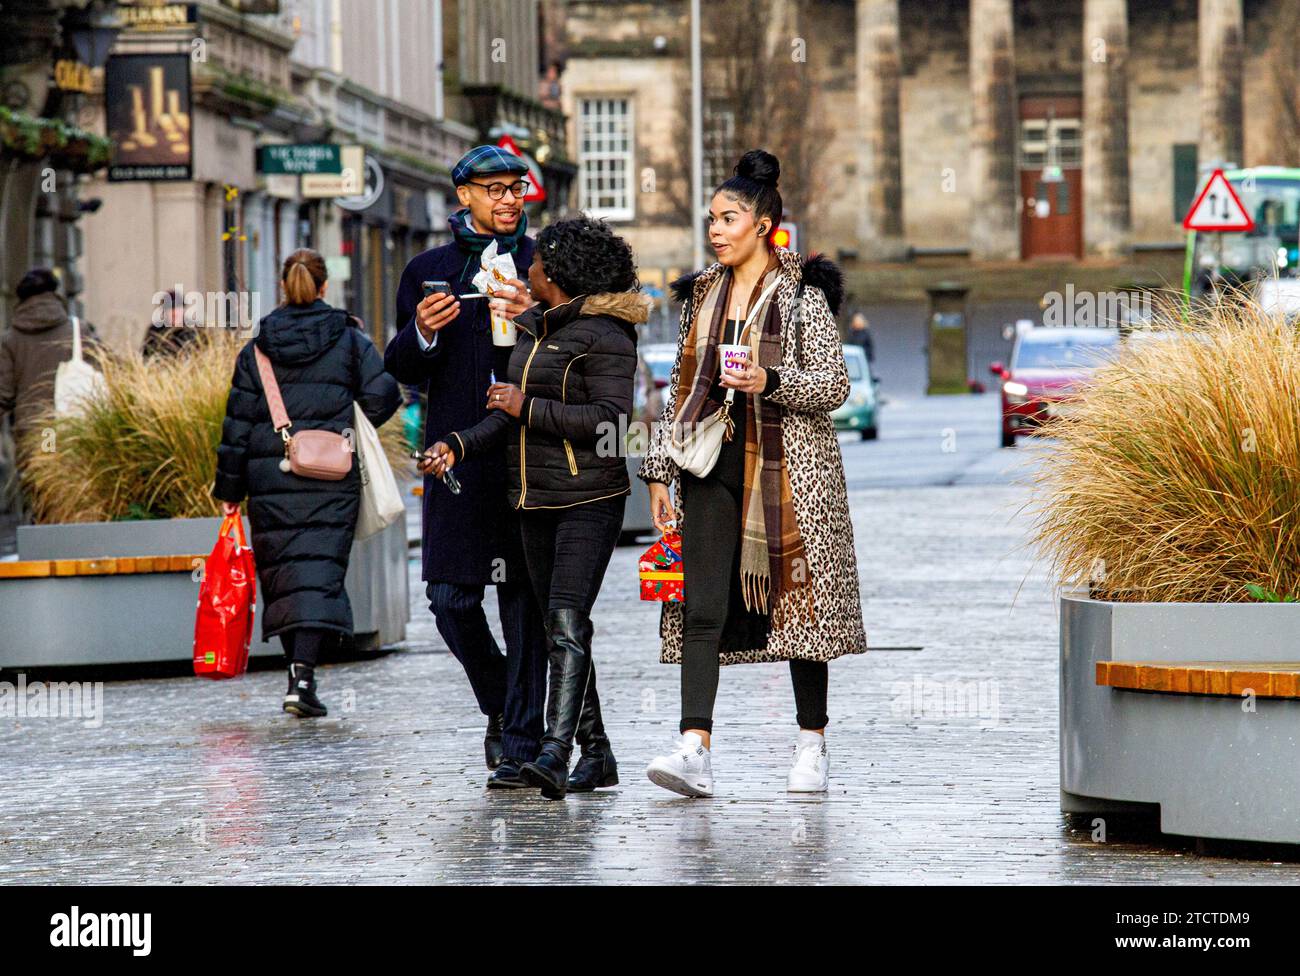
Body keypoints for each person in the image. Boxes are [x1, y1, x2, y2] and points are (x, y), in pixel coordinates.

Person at [639, 149, 868, 797]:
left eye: (729, 218)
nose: (715, 229)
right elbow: (682, 386)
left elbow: (834, 384)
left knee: (801, 613)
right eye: (711, 218)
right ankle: (694, 749)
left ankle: (811, 745)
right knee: (700, 604)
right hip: (710, 465)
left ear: (762, 225)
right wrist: (660, 472)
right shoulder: (701, 296)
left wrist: (769, 380)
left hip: (789, 474)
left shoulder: (803, 295)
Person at [423, 216, 643, 799]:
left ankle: (555, 750)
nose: (529, 268)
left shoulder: (607, 336)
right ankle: (598, 754)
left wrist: (527, 409)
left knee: (568, 623)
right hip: (533, 500)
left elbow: (614, 426)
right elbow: (507, 412)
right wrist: (458, 445)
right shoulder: (536, 330)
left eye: (538, 261)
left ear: (560, 273)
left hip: (588, 500)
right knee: (558, 629)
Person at [383, 145, 550, 788]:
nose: (509, 199)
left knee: (523, 601)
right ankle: (505, 702)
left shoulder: (543, 263)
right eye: (493, 189)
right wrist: (421, 332)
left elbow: (580, 346)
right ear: (464, 197)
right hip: (453, 457)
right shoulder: (429, 269)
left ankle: (518, 743)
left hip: (526, 453)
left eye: (516, 188)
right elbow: (400, 367)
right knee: (450, 598)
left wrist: (530, 315)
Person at [213, 249, 400, 717]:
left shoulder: (257, 348)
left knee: (286, 577)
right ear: (323, 287)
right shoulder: (350, 339)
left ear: (283, 286)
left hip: (270, 479)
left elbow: (235, 427)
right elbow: (385, 394)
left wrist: (230, 493)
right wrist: (346, 425)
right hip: (331, 477)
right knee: (319, 572)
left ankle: (297, 677)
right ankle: (303, 677)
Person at [0, 270, 92, 450]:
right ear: (54, 293)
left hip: (33, 428)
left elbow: (3, 395)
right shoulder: (78, 331)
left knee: (40, 475)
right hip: (74, 424)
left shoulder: (10, 340)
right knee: (68, 476)